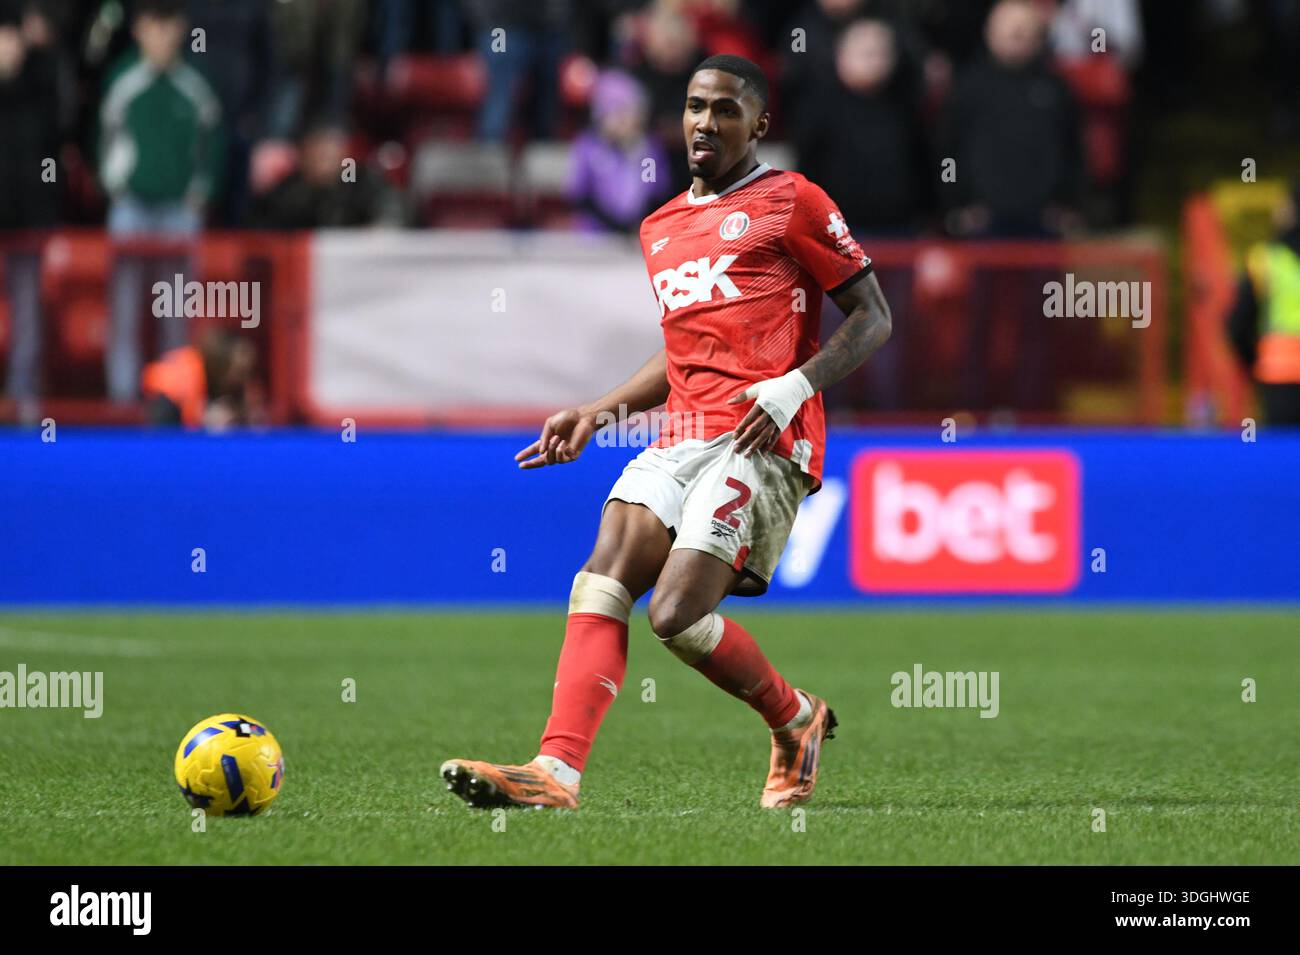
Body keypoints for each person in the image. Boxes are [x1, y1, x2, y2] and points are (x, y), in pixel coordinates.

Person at [440, 54, 893, 811]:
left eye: (724, 109)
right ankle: (556, 771)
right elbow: (685, 348)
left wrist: (794, 385)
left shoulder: (792, 201)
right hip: (683, 430)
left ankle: (794, 715)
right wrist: (598, 410)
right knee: (602, 572)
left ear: (759, 124)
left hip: (762, 437)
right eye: (693, 106)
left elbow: (874, 315)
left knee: (675, 615)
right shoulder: (662, 225)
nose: (705, 122)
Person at [99, 0, 221, 401]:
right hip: (131, 207)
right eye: (153, 25)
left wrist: (200, 194)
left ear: (181, 30)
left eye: (168, 26)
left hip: (179, 212)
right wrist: (115, 185)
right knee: (125, 309)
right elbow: (101, 138)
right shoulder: (121, 79)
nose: (161, 35)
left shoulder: (196, 83)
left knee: (176, 313)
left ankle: (173, 398)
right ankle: (121, 399)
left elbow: (213, 146)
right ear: (138, 30)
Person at [1228, 185, 1300, 426]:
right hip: (1277, 376)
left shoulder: (1265, 260)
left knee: (1282, 459)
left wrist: (1253, 366)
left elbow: (1237, 325)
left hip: (1280, 379)